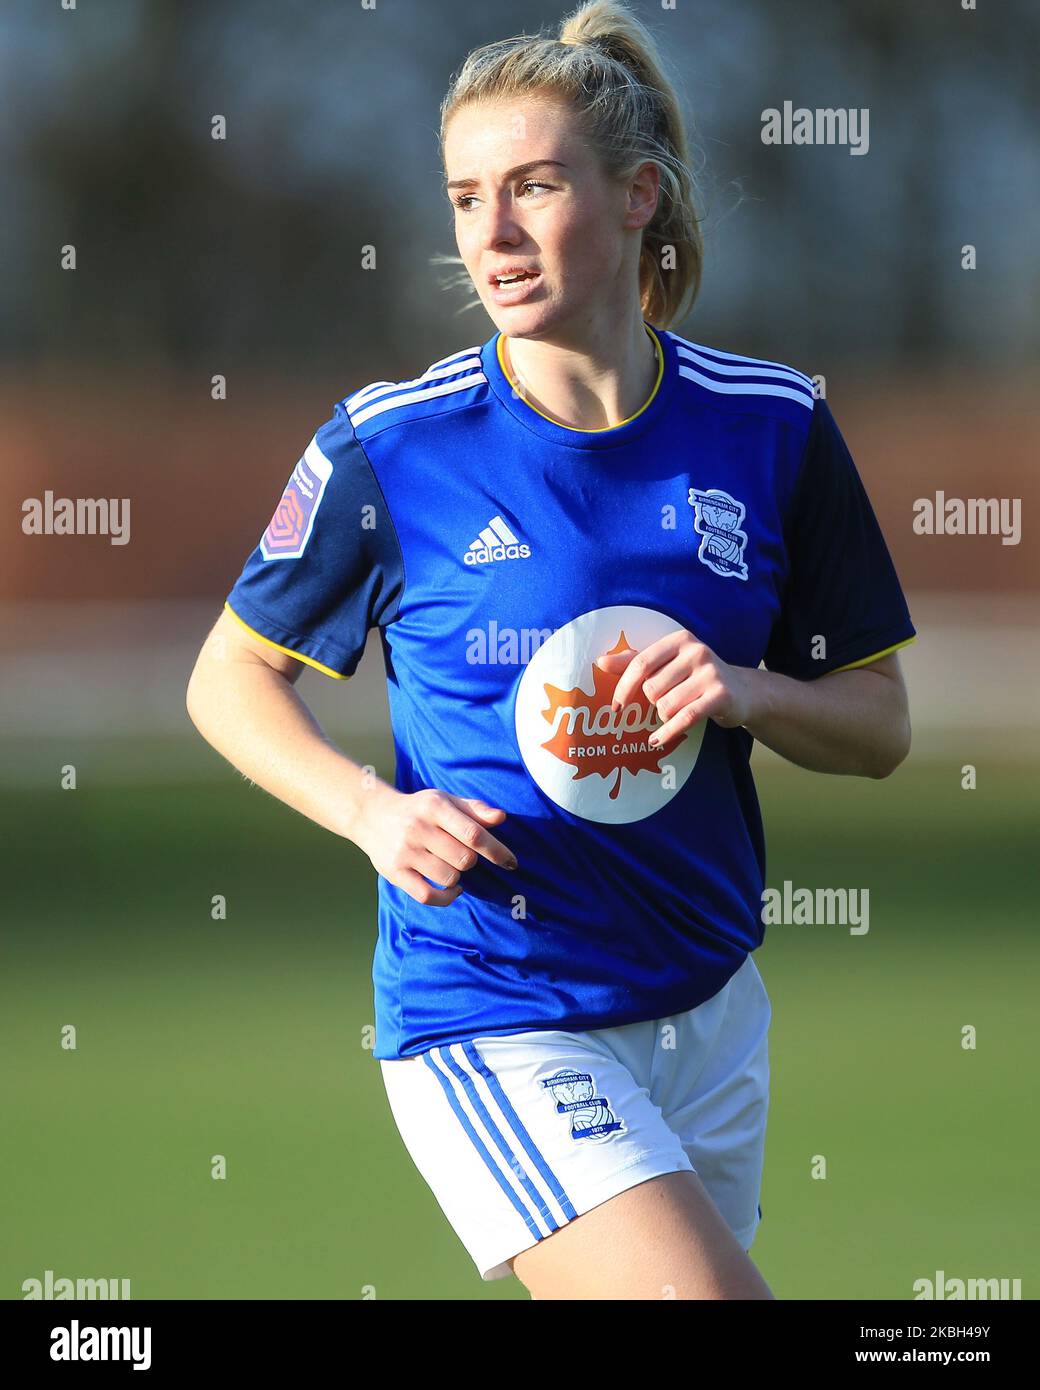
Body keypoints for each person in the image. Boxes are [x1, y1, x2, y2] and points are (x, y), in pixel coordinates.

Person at [186, 0, 915, 1300]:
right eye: (468, 197)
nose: (493, 233)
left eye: (533, 186)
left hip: (712, 1008)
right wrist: (370, 813)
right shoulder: (393, 445)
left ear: (640, 195)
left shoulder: (774, 425)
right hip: (497, 1004)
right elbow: (227, 678)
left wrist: (744, 693)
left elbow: (882, 722)